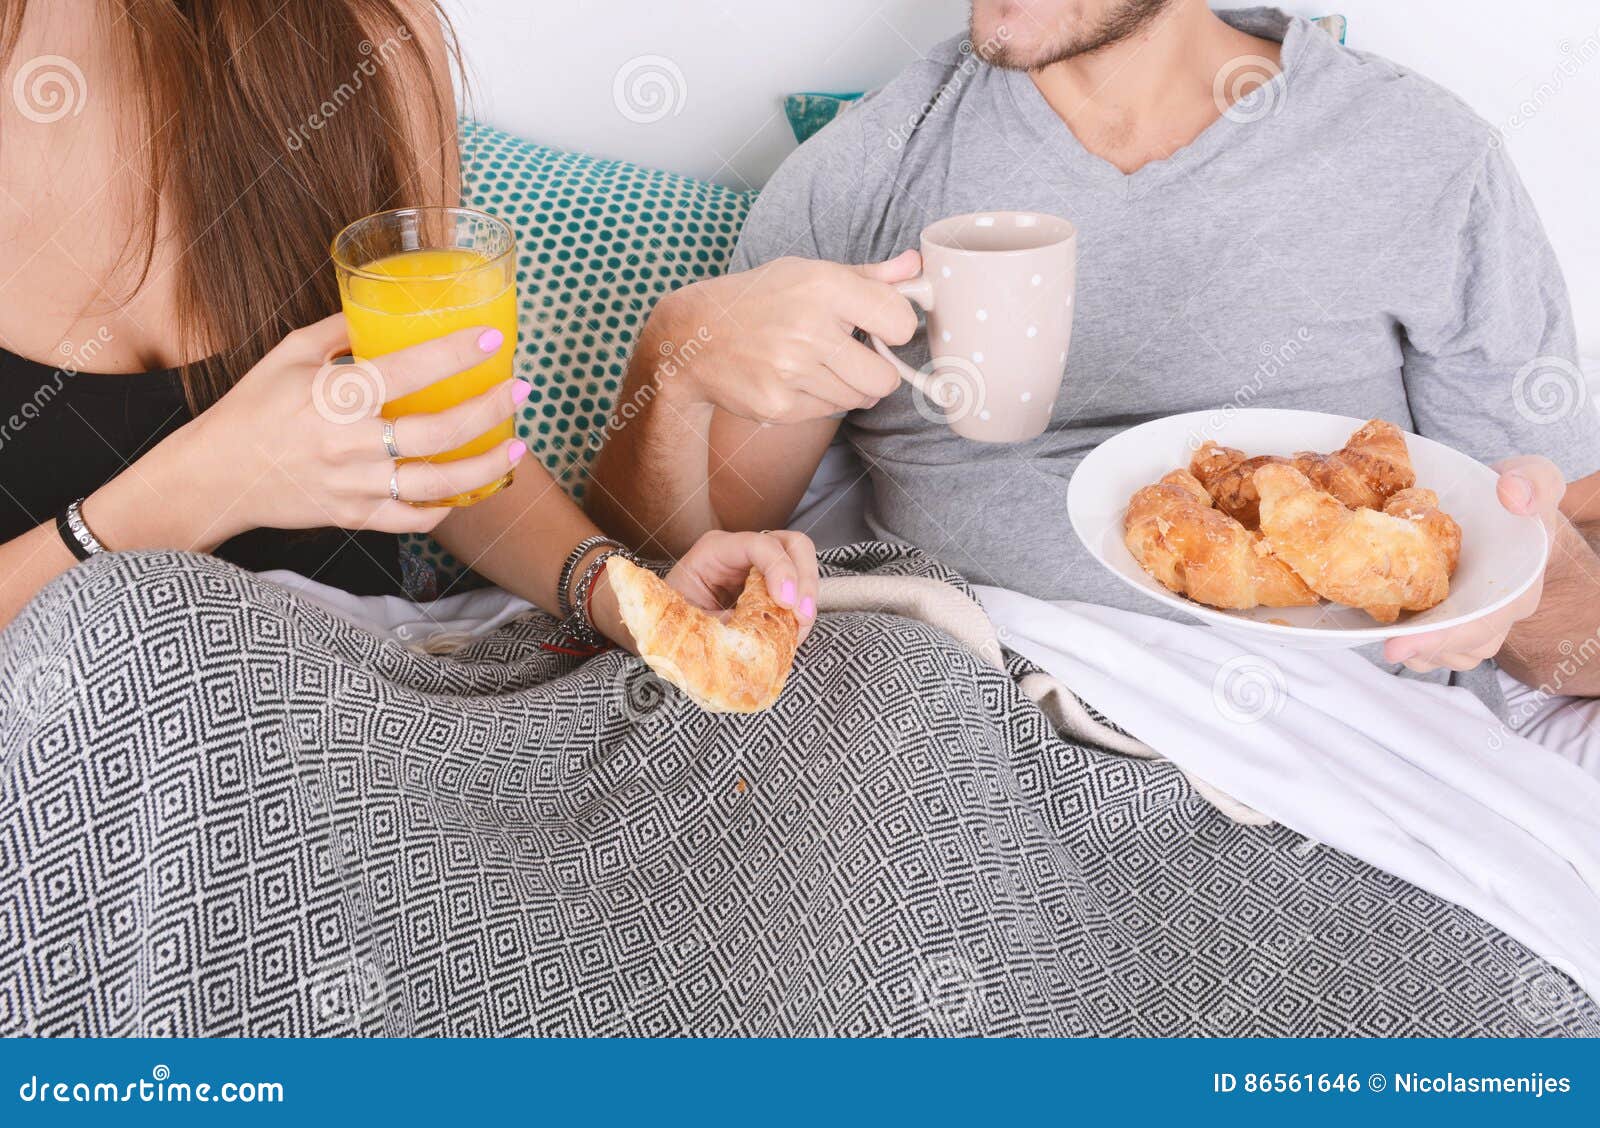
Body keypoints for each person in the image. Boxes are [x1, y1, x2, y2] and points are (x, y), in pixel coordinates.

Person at [587, 1, 1600, 711]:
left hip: (1302, 737)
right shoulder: (873, 161)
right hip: (943, 707)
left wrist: (1533, 578)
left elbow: (1573, 650)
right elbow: (672, 571)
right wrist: (669, 365)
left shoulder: (1421, 156)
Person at [0, 0, 818, 644]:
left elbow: (437, 440)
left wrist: (621, 594)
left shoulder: (366, 34)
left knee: (895, 683)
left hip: (371, 713)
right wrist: (211, 480)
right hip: (77, 741)